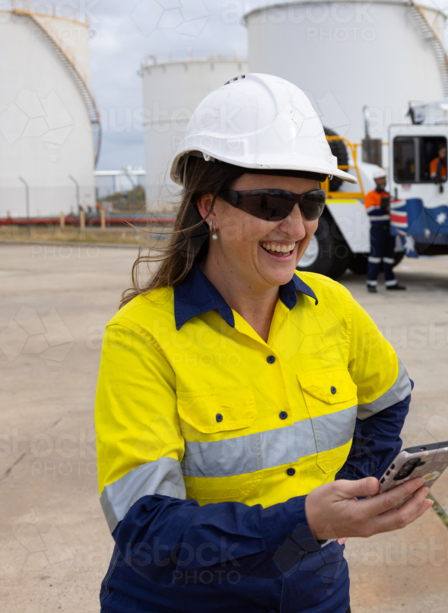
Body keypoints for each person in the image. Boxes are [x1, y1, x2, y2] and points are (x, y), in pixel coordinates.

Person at [94, 73, 430, 613]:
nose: (296, 228)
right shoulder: (141, 335)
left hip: (313, 590)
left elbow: (390, 398)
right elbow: (146, 530)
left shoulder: (333, 305)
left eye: (312, 203)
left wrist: (352, 492)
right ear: (209, 207)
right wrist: (305, 520)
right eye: (271, 203)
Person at [363, 168, 406, 293]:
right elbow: (370, 211)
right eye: (380, 179)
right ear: (375, 181)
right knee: (375, 257)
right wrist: (386, 209)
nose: (382, 181)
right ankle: (371, 284)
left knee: (389, 257)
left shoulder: (388, 195)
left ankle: (391, 283)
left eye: (384, 178)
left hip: (389, 230)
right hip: (377, 230)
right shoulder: (371, 195)